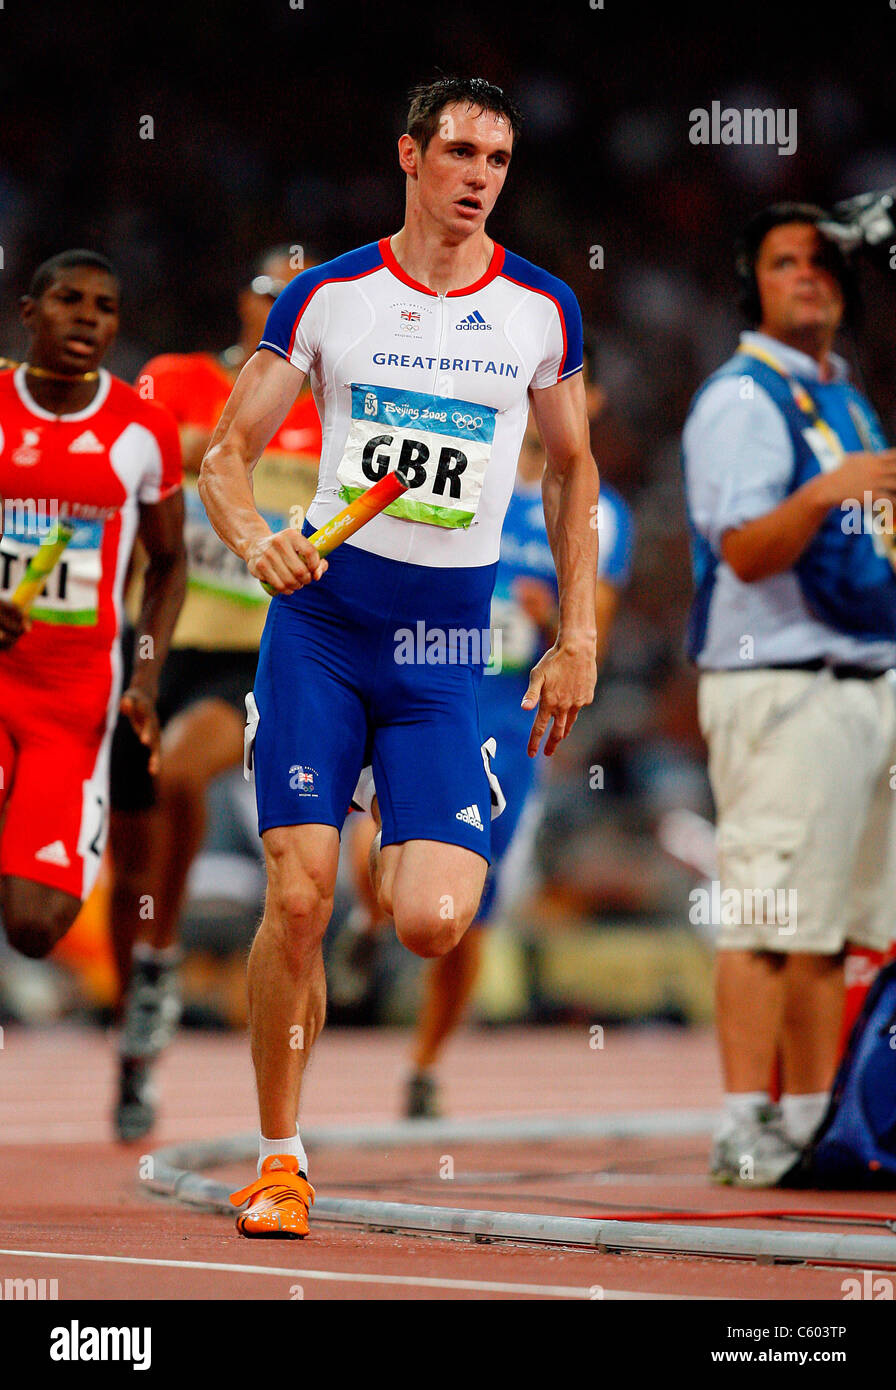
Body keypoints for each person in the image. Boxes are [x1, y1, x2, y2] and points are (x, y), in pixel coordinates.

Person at [199, 75, 600, 1239]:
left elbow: (573, 472)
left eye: (498, 160)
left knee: (427, 920)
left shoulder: (539, 307)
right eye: (461, 153)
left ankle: (405, 821)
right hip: (320, 634)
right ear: (410, 157)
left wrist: (576, 636)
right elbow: (226, 453)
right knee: (298, 893)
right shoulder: (328, 296)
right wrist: (252, 538)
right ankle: (281, 1159)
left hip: (441, 657)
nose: (479, 178)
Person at [331, 385, 634, 1120]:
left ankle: (425, 1063)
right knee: (378, 833)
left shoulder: (602, 509)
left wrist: (562, 616)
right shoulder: (469, 464)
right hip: (431, 682)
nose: (571, 401)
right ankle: (371, 919)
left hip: (512, 717)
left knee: (469, 910)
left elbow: (602, 625)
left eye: (587, 391)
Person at [682, 203, 896, 1186]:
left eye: (820, 262)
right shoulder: (740, 398)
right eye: (782, 262)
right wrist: (828, 489)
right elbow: (740, 547)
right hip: (778, 683)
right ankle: (739, 1125)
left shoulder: (840, 397)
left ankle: (810, 1127)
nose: (807, 276)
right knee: (764, 915)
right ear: (750, 284)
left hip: (856, 678)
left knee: (828, 928)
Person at [107, 249, 323, 1141]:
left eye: (295, 295)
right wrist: (206, 448)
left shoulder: (329, 406)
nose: (277, 304)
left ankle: (159, 955)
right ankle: (138, 1008)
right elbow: (148, 456)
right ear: (243, 299)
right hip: (153, 632)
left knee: (181, 768)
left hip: (247, 647)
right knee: (127, 851)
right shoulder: (179, 376)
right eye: (267, 289)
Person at [0, 250, 185, 964]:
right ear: (28, 312)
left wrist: (144, 679)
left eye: (104, 307)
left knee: (35, 928)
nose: (87, 316)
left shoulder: (143, 428)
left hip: (74, 704)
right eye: (69, 300)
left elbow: (170, 565)